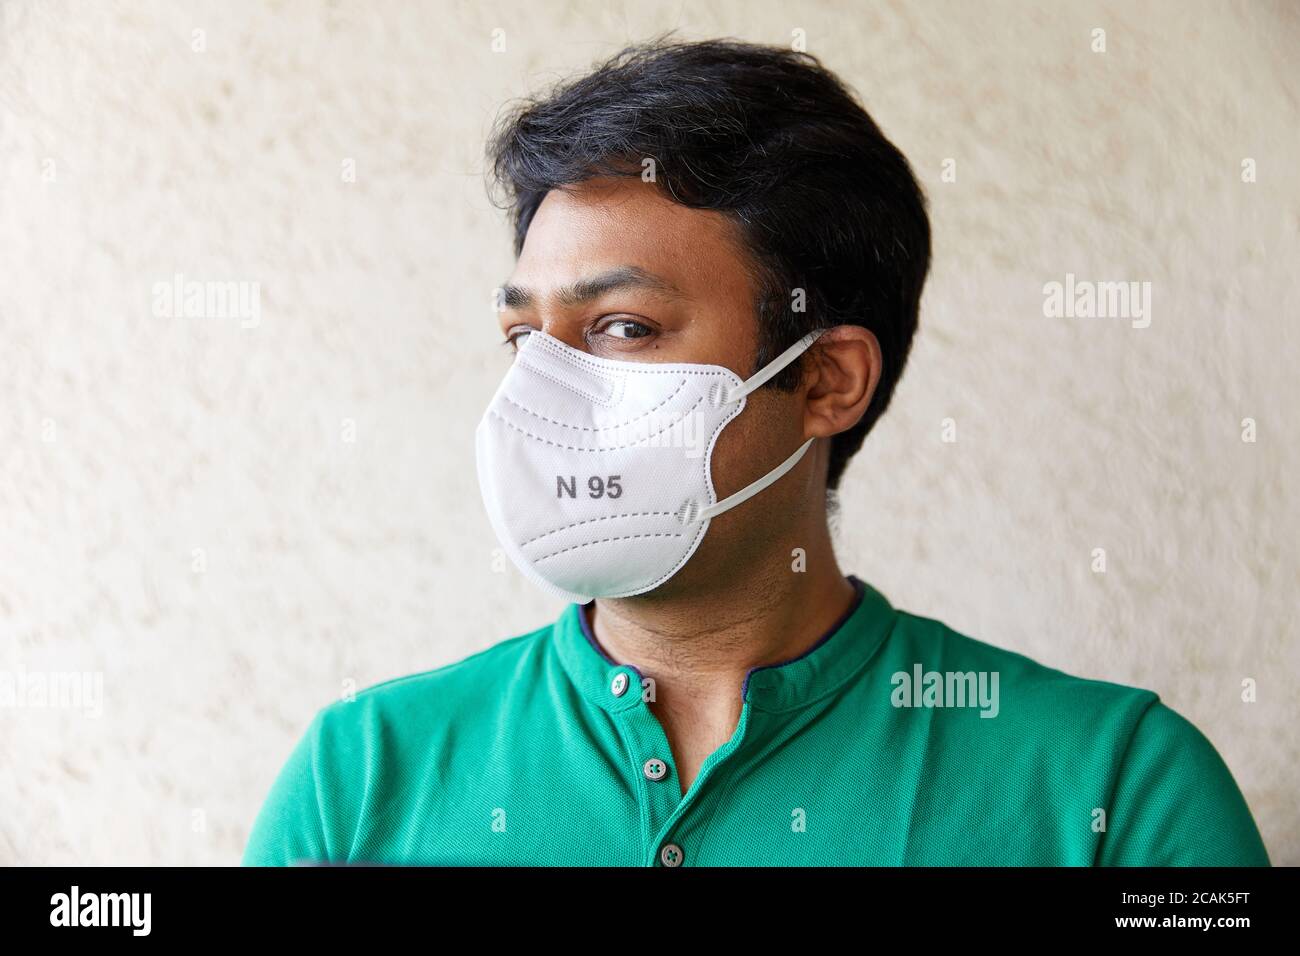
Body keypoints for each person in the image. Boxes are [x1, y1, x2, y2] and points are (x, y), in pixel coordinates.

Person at [242, 36, 1270, 867]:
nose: (536, 394)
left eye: (622, 329)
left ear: (826, 381)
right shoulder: (363, 777)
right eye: (524, 336)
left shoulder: (1113, 788)